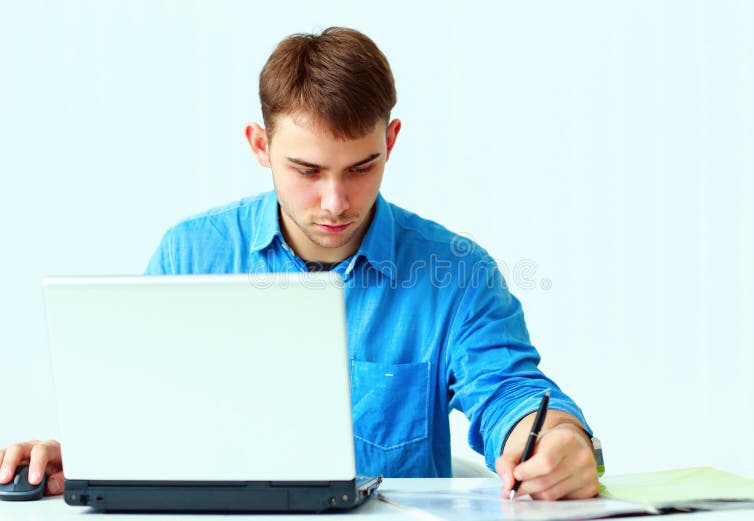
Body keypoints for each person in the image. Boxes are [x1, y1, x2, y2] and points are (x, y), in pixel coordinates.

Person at [0, 27, 599, 501]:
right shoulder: (191, 253)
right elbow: (142, 418)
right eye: (308, 171)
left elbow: (510, 393)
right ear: (260, 147)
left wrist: (557, 441)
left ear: (390, 141)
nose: (335, 203)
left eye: (361, 167)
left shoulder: (457, 273)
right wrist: (83, 454)